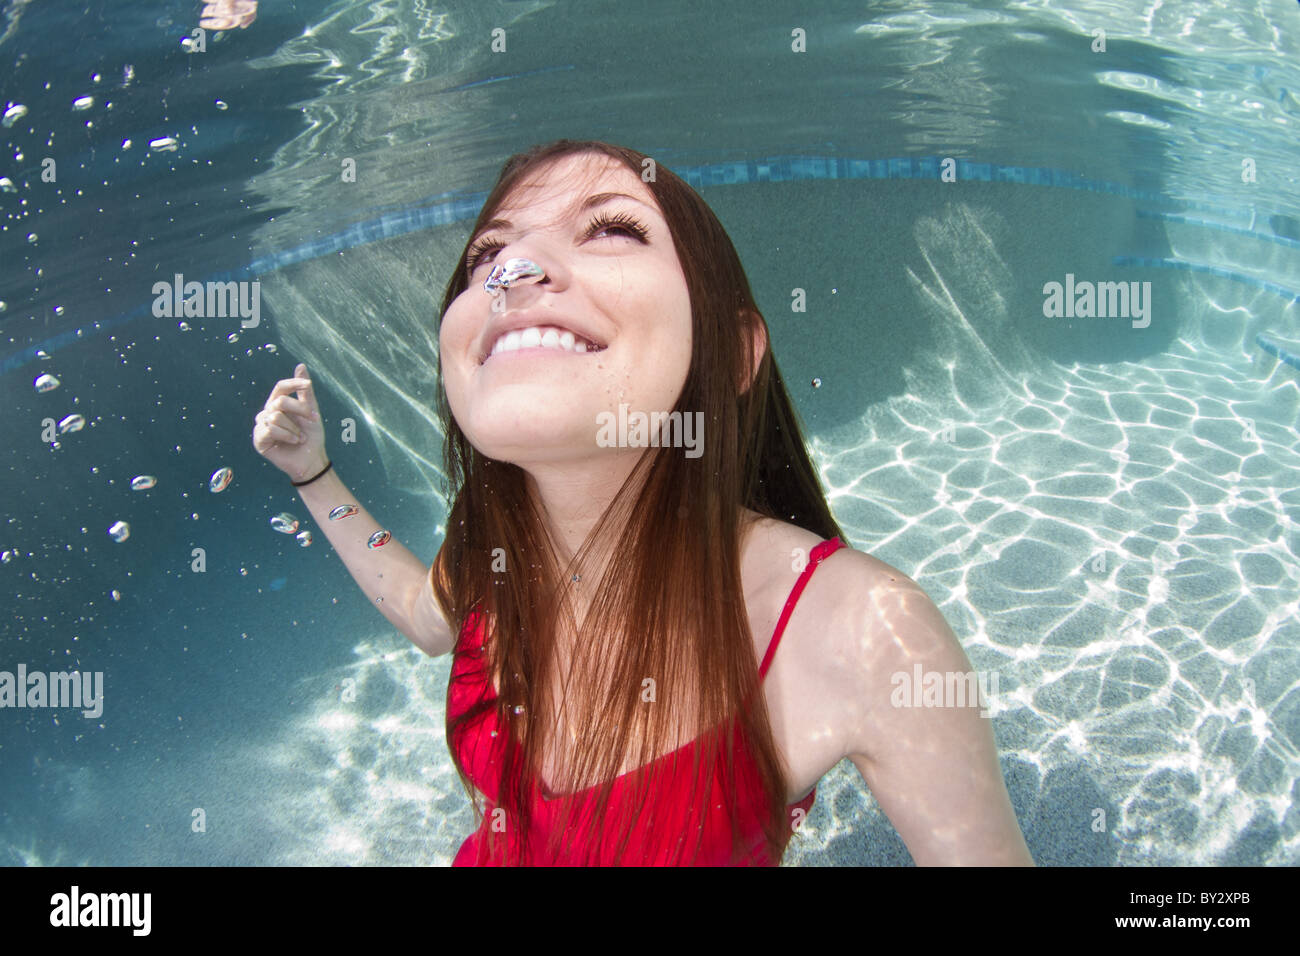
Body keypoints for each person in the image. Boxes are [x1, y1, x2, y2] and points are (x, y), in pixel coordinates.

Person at [252, 139, 1034, 866]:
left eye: (613, 230)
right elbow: (424, 618)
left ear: (730, 352)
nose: (511, 268)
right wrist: (314, 474)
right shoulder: (492, 548)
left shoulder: (862, 630)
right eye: (489, 250)